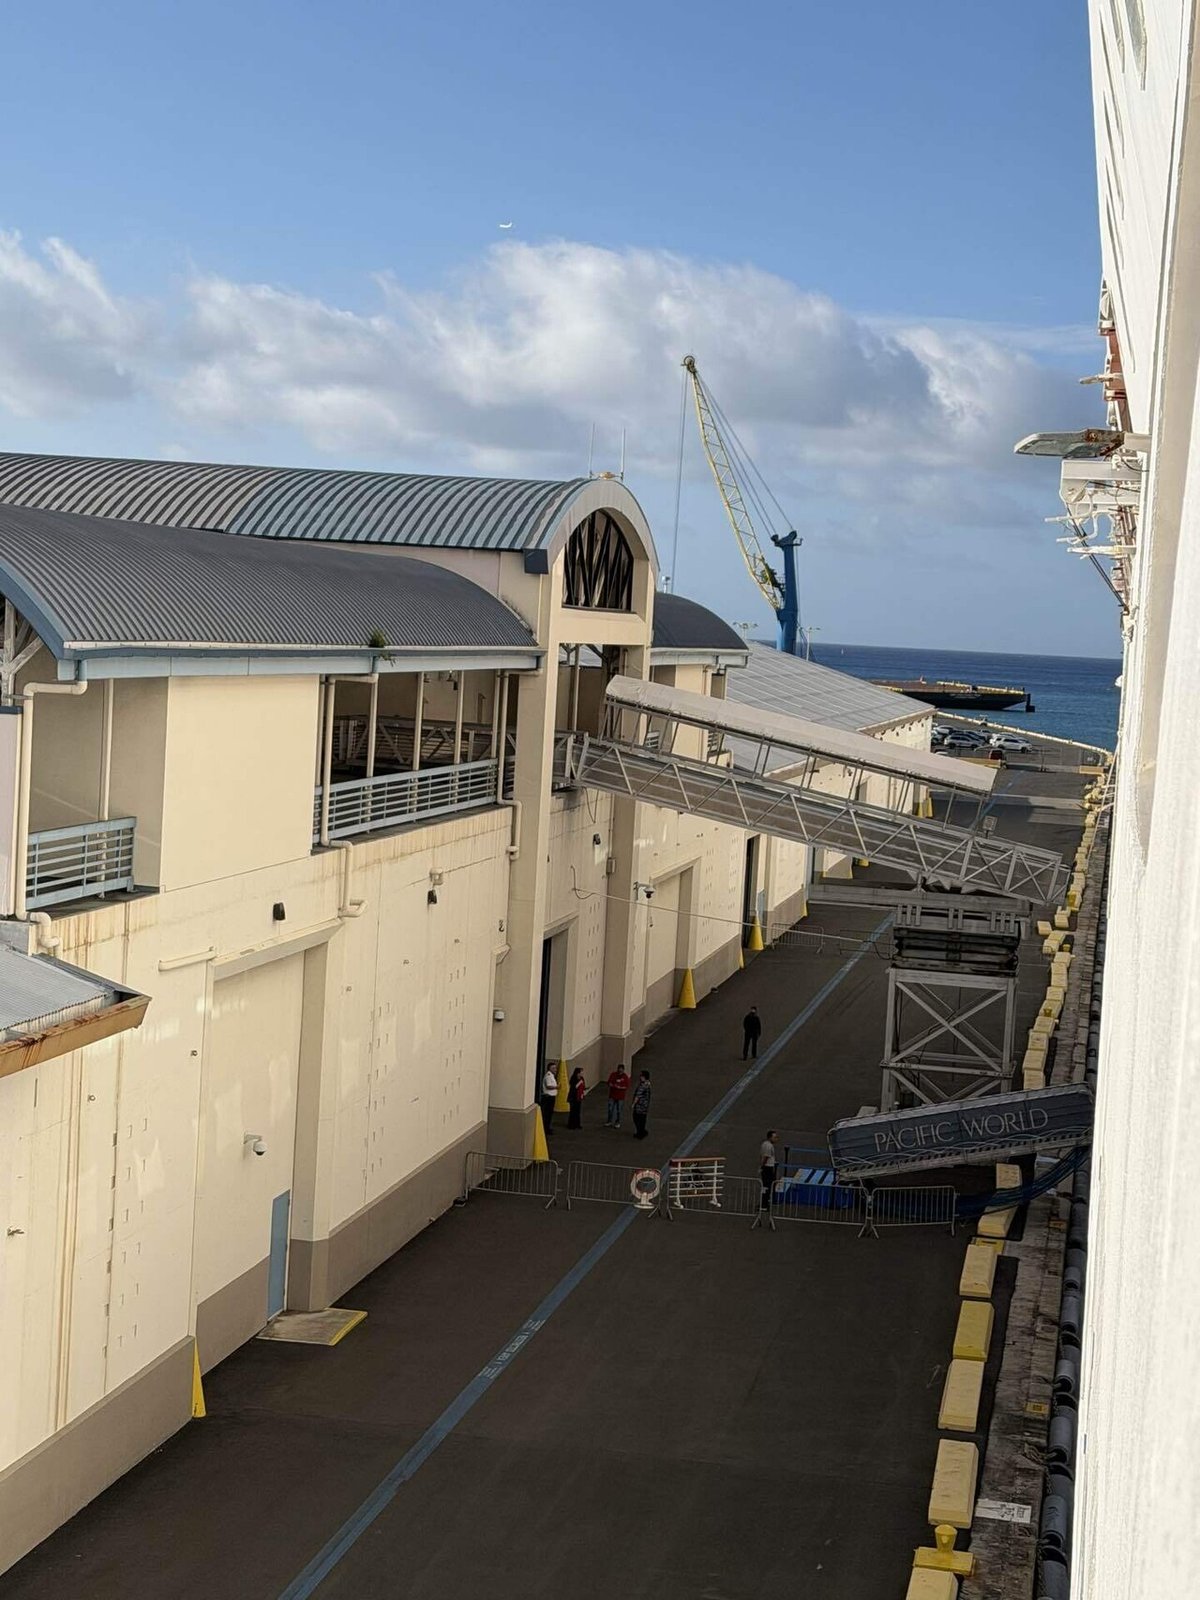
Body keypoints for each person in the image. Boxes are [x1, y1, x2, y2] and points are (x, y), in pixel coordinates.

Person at [605, 1063, 631, 1128]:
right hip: (612, 1095)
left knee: (619, 1110)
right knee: (610, 1109)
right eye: (619, 1069)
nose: (620, 1070)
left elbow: (626, 1086)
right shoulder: (613, 1075)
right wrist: (612, 1085)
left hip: (620, 1096)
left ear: (623, 1070)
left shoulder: (625, 1077)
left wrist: (620, 1087)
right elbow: (609, 1082)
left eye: (621, 1069)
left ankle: (617, 1122)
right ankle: (609, 1121)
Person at [759, 1129, 778, 1210]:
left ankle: (765, 1202)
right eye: (775, 1137)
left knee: (768, 1185)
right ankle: (764, 1204)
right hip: (768, 1168)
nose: (776, 1139)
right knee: (767, 1186)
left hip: (767, 1167)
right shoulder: (768, 1146)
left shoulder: (765, 1144)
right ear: (770, 1137)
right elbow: (765, 1157)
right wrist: (762, 1167)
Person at [632, 1071, 651, 1140]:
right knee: (643, 1119)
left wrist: (633, 1104)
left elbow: (638, 1096)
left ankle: (640, 1132)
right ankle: (642, 1131)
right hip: (645, 1105)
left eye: (641, 1076)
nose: (640, 1077)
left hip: (640, 1105)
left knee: (636, 1118)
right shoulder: (648, 1083)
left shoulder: (642, 1086)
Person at [540, 1062, 558, 1136]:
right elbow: (548, 1086)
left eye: (555, 1068)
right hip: (548, 1097)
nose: (555, 1069)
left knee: (549, 1114)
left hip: (551, 1097)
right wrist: (557, 1087)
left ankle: (548, 1127)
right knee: (547, 1114)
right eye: (553, 1068)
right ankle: (546, 1128)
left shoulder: (552, 1076)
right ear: (549, 1068)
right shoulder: (548, 1076)